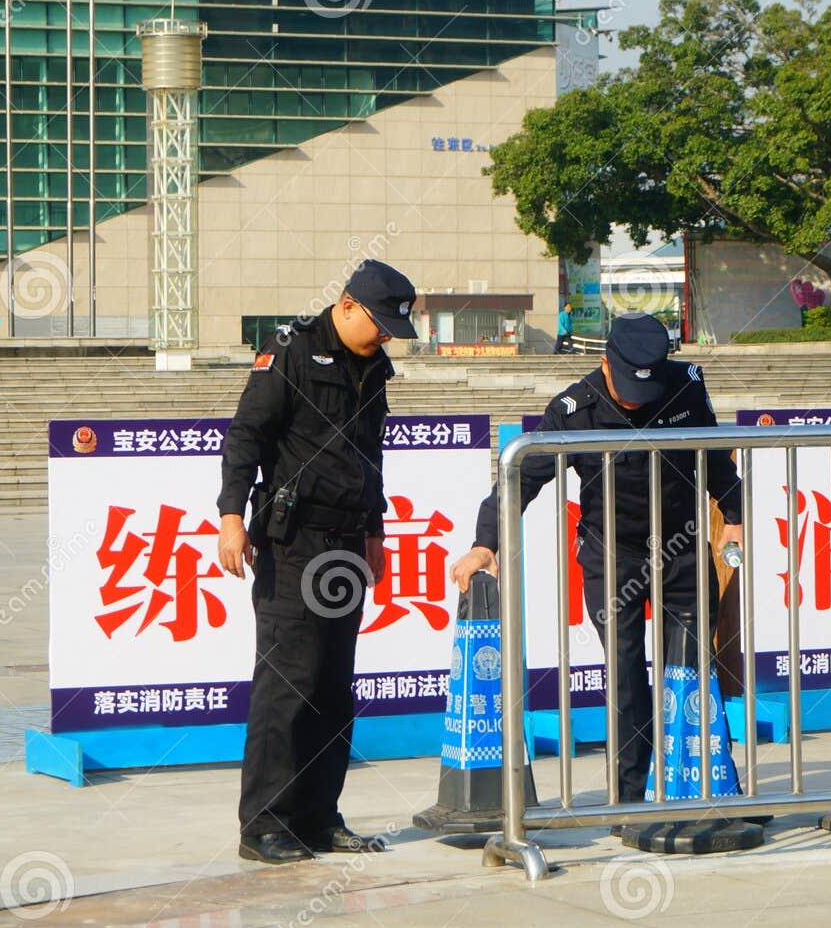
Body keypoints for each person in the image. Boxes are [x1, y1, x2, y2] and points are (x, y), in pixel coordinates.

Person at [448, 312, 743, 807]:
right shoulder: (574, 408)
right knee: (627, 675)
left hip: (681, 546)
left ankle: (713, 788)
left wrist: (733, 513)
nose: (636, 400)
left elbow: (714, 456)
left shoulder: (686, 384)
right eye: (627, 388)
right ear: (606, 365)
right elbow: (521, 478)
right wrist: (486, 543)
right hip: (615, 555)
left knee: (693, 669)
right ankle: (630, 799)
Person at [216, 258, 417, 865]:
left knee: (333, 684)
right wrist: (229, 515)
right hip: (292, 540)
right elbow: (246, 434)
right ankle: (266, 825)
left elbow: (371, 452)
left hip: (347, 542)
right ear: (348, 304)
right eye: (378, 323)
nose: (384, 335)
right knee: (287, 684)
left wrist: (376, 532)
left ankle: (320, 817)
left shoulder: (373, 365)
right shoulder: (292, 349)